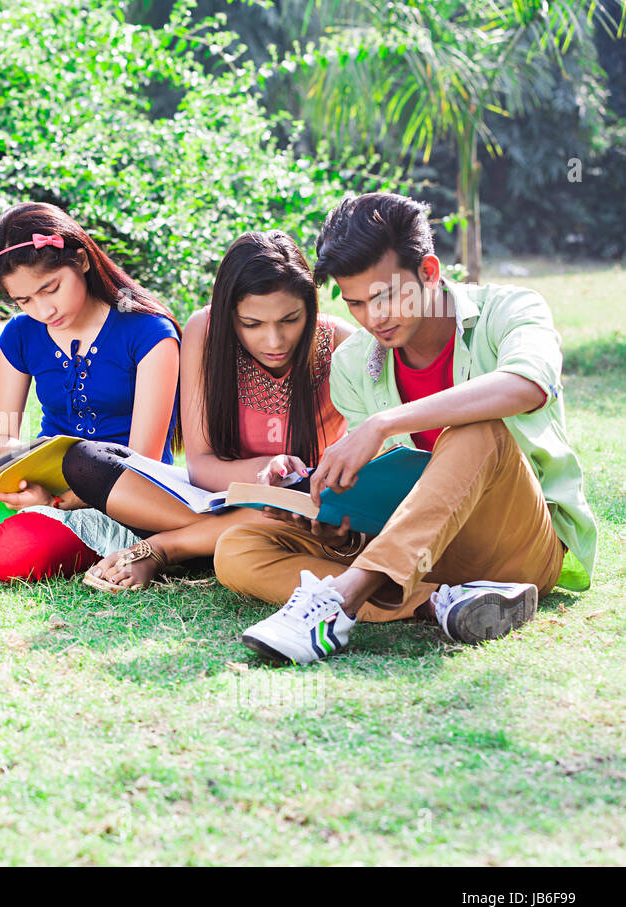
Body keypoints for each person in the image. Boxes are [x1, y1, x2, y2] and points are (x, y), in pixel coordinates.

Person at [216, 192, 598, 664]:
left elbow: (528, 384)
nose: (374, 317)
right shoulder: (355, 362)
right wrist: (341, 527)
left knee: (474, 429)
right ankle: (439, 602)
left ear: (429, 272)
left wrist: (384, 423)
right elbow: (389, 494)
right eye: (356, 303)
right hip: (421, 556)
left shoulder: (510, 309)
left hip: (515, 541)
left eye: (387, 295)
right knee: (238, 547)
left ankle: (340, 603)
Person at [0, 201, 181, 582]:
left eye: (50, 289)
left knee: (11, 554)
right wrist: (19, 480)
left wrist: (55, 499)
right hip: (42, 485)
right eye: (24, 301)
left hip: (119, 495)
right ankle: (28, 520)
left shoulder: (149, 333)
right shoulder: (21, 336)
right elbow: (1, 433)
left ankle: (40, 527)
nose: (43, 310)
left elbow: (143, 462)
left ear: (82, 261)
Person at [66, 231, 354, 590]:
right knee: (84, 460)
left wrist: (293, 482)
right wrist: (263, 470)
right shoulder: (205, 330)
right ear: (228, 316)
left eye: (290, 319)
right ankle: (214, 538)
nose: (274, 341)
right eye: (252, 324)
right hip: (214, 500)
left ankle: (170, 547)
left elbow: (356, 474)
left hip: (300, 508)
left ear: (311, 307)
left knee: (306, 499)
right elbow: (201, 467)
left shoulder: (340, 343)